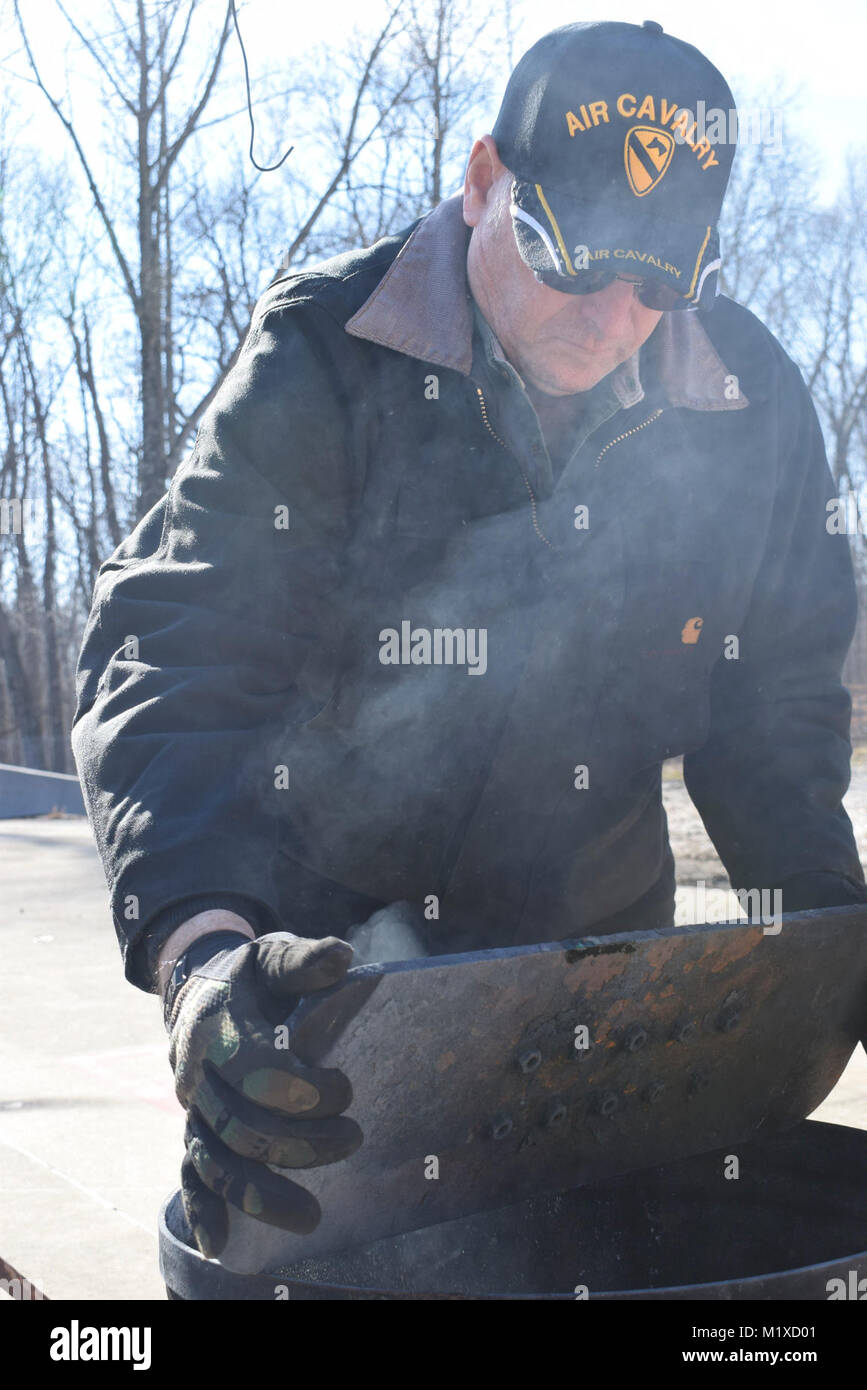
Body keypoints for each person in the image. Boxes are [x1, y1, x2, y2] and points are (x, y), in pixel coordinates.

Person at [71, 19, 867, 1261]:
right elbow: (174, 655)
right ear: (486, 180)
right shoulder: (325, 355)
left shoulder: (746, 402)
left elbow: (774, 719)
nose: (612, 322)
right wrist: (205, 959)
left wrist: (831, 948)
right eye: (573, 262)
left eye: (658, 284)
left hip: (596, 985)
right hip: (328, 996)